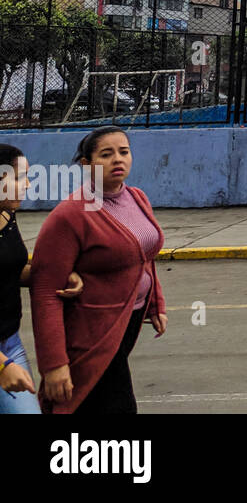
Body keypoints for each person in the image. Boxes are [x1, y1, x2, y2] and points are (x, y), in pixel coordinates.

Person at [30, 127, 167, 415]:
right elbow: (45, 292)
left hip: (128, 320)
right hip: (91, 330)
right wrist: (54, 364)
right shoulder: (71, 214)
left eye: (124, 152)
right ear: (86, 165)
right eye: (106, 154)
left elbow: (144, 257)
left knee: (96, 401)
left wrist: (155, 304)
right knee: (106, 403)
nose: (118, 159)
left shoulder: (137, 197)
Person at [0, 145, 83, 415]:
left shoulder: (7, 215)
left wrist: (54, 275)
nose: (27, 184)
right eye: (19, 176)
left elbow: (10, 269)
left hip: (9, 341)